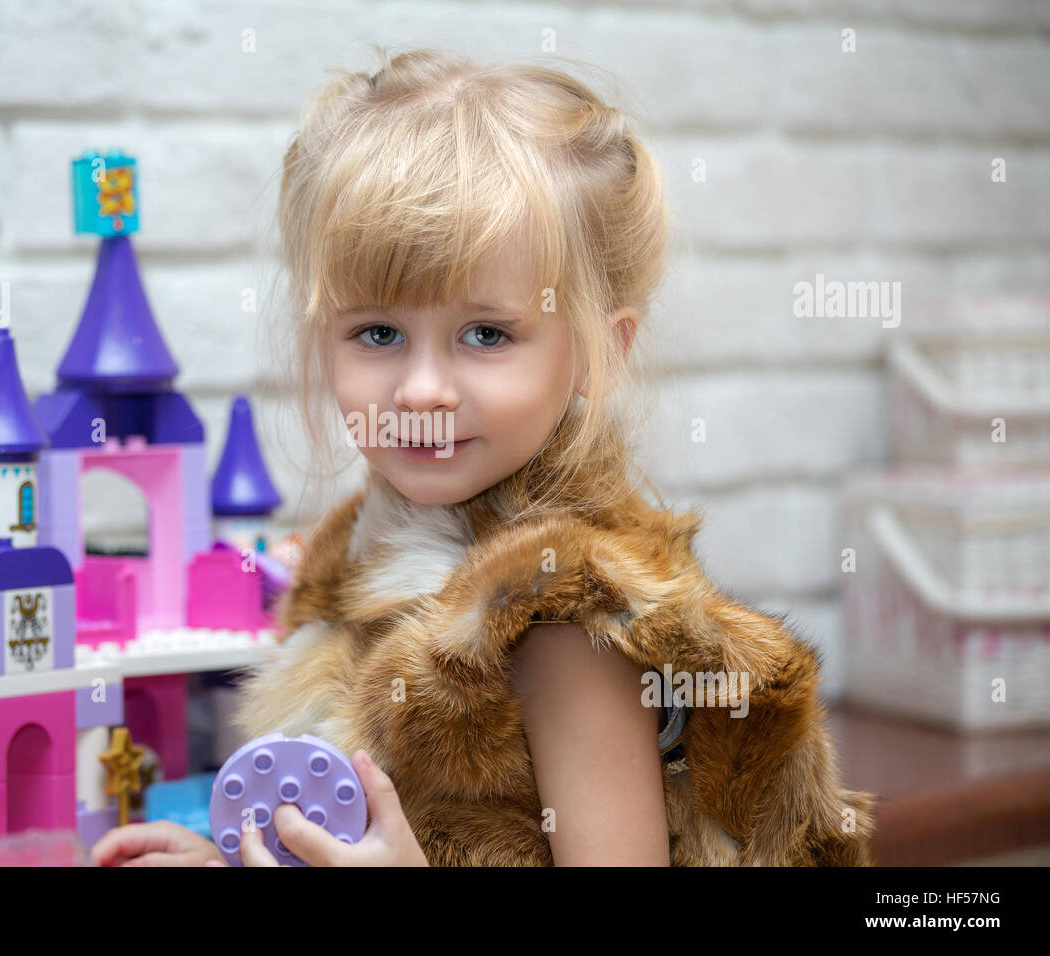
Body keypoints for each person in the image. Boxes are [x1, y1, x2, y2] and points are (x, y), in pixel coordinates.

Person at [92, 46, 874, 867]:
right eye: (379, 333)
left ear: (594, 354)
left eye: (486, 334)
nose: (422, 390)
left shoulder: (562, 620)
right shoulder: (363, 553)